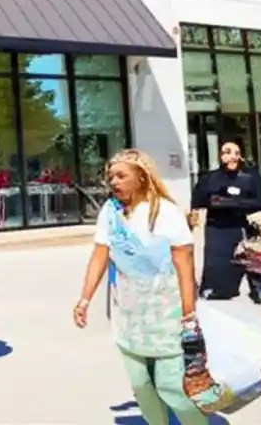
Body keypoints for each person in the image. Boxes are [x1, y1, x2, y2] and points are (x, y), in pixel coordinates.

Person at [74, 149, 206, 425]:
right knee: (142, 387)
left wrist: (189, 315)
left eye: (121, 176)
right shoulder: (110, 213)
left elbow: (185, 265)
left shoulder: (166, 213)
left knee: (172, 387)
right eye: (111, 177)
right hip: (129, 317)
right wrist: (84, 299)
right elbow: (100, 255)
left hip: (168, 317)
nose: (114, 182)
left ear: (142, 178)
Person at [189, 141, 261, 301]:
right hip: (218, 229)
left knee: (252, 264)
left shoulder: (250, 178)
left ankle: (259, 291)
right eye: (227, 152)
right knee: (219, 271)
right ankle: (216, 289)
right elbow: (200, 200)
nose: (232, 157)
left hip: (244, 227)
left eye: (236, 152)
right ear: (221, 156)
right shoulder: (210, 179)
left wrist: (228, 202)